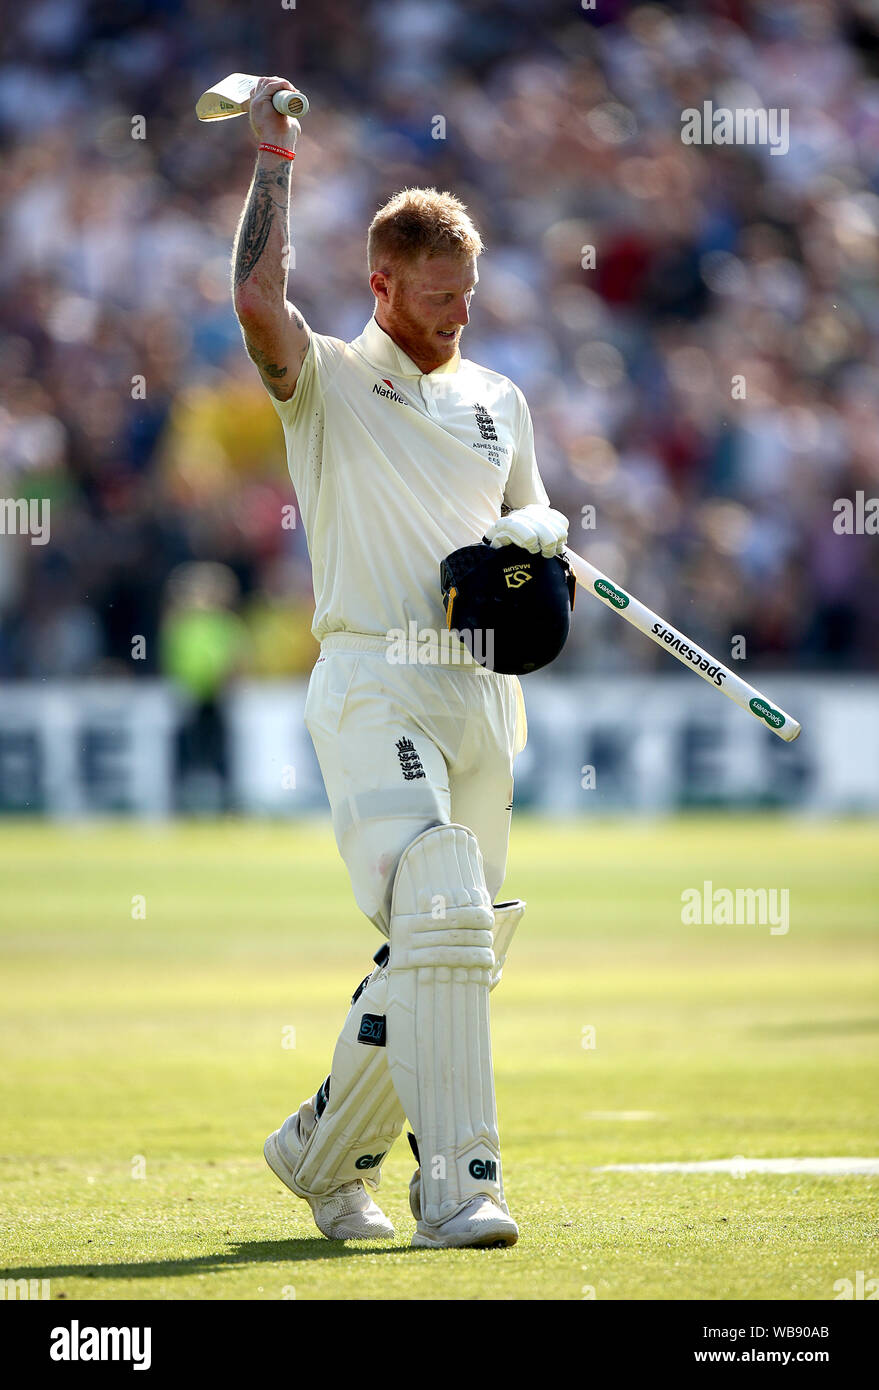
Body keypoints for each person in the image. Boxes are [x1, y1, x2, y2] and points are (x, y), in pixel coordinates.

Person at [232, 77, 568, 1249]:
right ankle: (459, 1185)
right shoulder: (326, 378)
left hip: (482, 692)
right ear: (383, 286)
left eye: (469, 294)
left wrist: (544, 549)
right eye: (437, 298)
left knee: (459, 942)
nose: (459, 315)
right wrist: (276, 154)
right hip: (373, 673)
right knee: (437, 895)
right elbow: (254, 295)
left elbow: (529, 547)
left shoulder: (498, 400)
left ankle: (321, 1155)